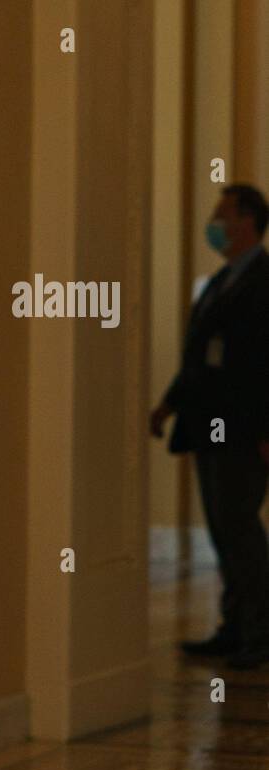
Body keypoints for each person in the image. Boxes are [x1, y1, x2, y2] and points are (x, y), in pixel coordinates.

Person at [150, 183, 269, 669]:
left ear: (246, 223)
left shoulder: (264, 282)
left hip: (243, 432)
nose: (213, 224)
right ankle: (234, 627)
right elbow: (201, 356)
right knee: (223, 532)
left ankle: (261, 636)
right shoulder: (221, 282)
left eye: (221, 215)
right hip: (209, 426)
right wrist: (168, 405)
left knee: (240, 532)